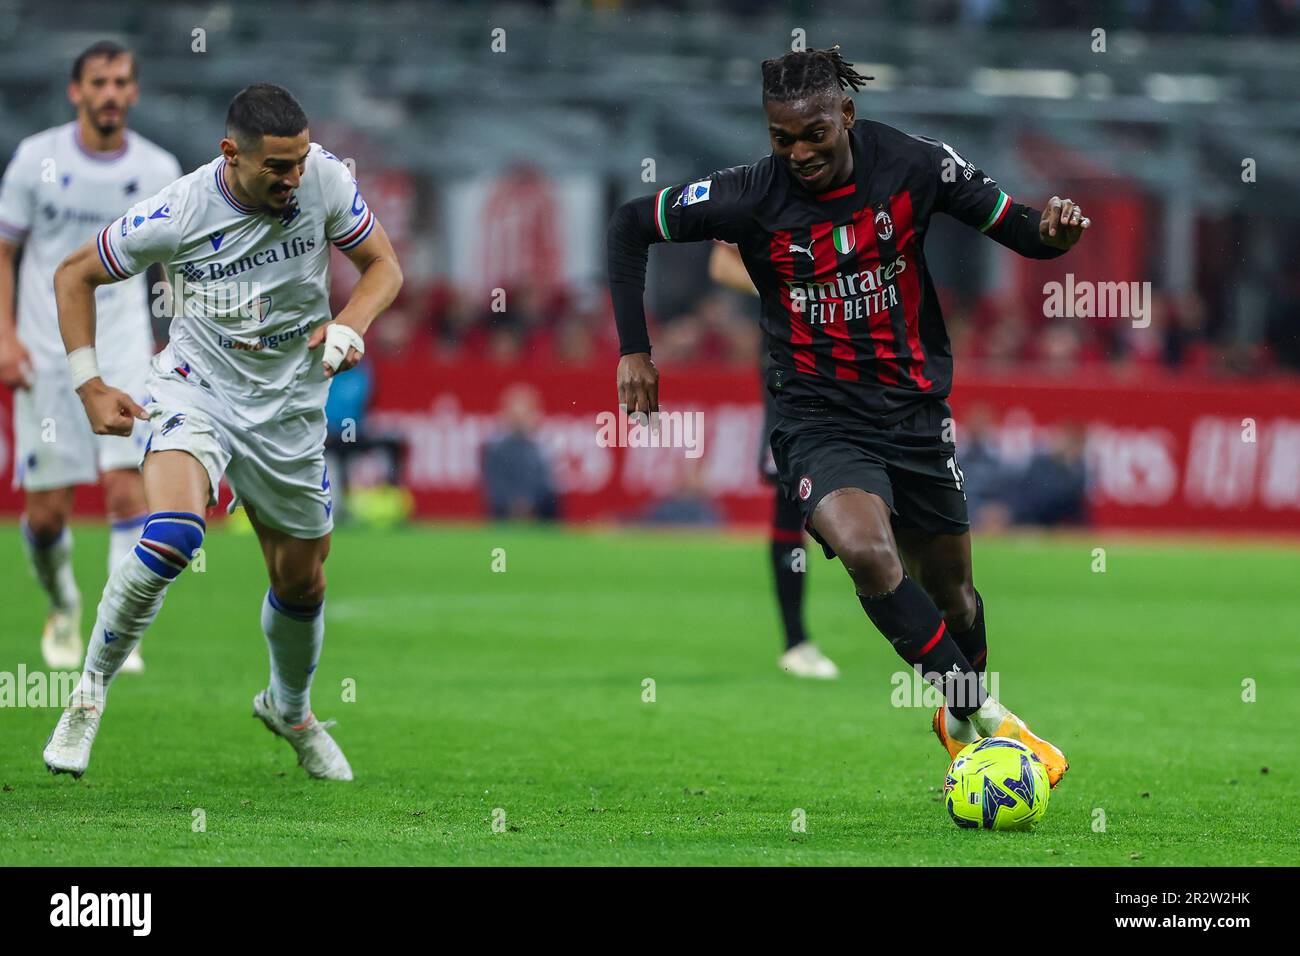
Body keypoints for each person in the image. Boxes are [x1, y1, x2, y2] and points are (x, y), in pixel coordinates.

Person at [607, 47, 1090, 786]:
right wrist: (635, 351)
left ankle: (960, 721)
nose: (798, 152)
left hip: (914, 412)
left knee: (955, 595)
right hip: (816, 417)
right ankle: (989, 717)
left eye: (814, 135)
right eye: (781, 138)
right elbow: (630, 224)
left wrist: (1053, 236)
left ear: (847, 116)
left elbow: (1020, 229)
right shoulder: (747, 194)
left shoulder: (916, 164)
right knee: (867, 552)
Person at [42, 83, 403, 780]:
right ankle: (85, 699)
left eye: (300, 162)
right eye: (279, 167)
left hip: (292, 404)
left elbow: (383, 267)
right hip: (196, 386)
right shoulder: (179, 210)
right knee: (175, 533)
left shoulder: (325, 177)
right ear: (230, 155)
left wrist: (350, 323)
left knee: (303, 582)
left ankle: (289, 709)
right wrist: (89, 384)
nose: (295, 178)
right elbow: (73, 274)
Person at [0, 41, 181, 674]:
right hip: (47, 352)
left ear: (133, 92)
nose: (110, 93)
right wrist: (4, 335)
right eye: (98, 82)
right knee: (46, 514)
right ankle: (63, 603)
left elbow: (176, 265)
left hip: (126, 345)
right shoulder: (35, 160)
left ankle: (113, 632)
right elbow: (5, 251)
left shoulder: (158, 169)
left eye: (121, 82)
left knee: (126, 490)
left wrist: (180, 337)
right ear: (77, 91)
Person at [710, 241, 838, 678]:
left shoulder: (857, 198)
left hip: (852, 368)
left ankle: (924, 630)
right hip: (788, 372)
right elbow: (723, 263)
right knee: (789, 501)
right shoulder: (765, 195)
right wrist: (788, 288)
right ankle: (796, 640)